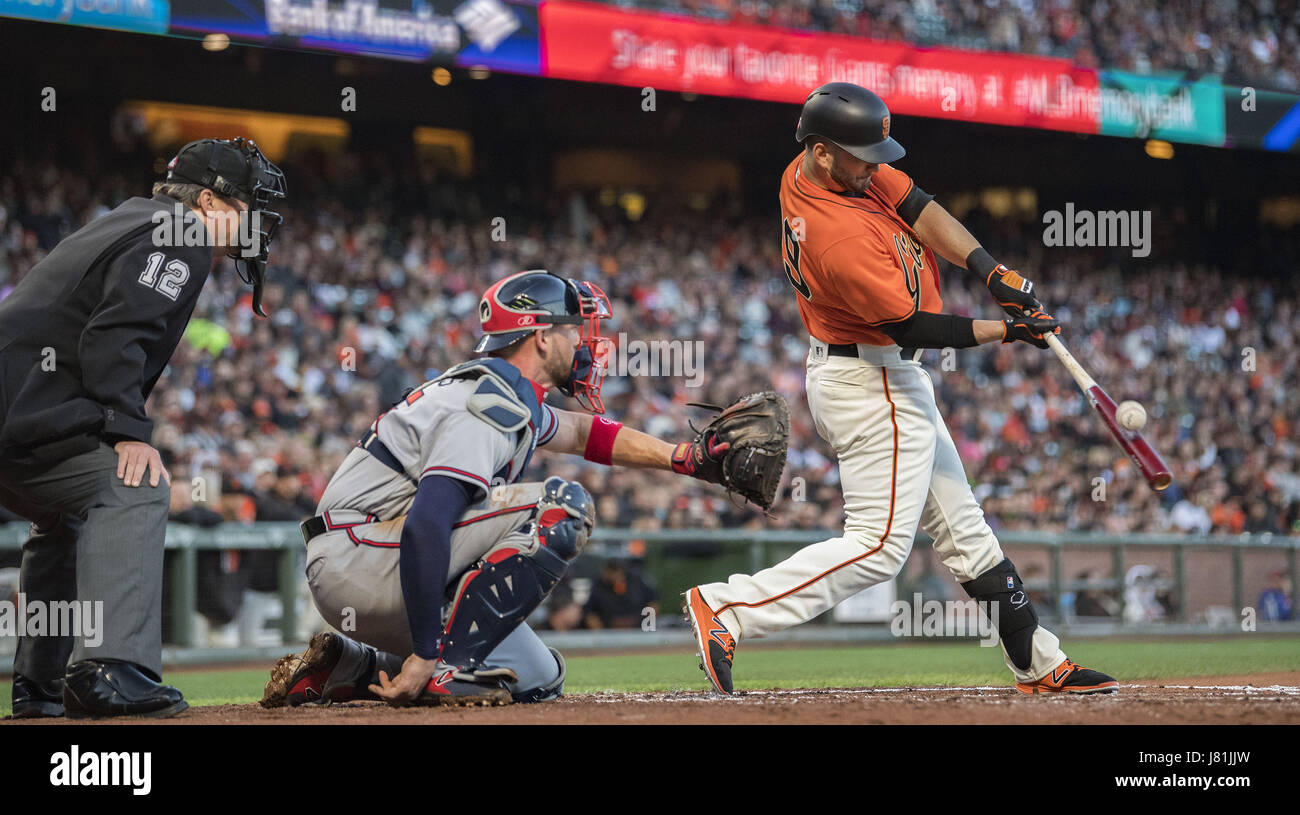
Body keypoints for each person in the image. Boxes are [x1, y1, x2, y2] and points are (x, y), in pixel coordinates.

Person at [684, 83, 1118, 695]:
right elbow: (910, 327)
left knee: (964, 530)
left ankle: (1039, 663)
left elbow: (919, 208)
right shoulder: (836, 234)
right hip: (872, 379)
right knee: (880, 548)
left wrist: (992, 272)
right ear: (824, 152)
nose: (877, 165)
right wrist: (1006, 330)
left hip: (878, 373)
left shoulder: (826, 168)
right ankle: (729, 608)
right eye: (865, 154)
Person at [260, 270, 754, 707]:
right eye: (572, 330)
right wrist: (429, 655)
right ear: (540, 336)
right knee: (562, 505)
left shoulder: (508, 392)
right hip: (360, 555)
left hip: (376, 560)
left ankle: (347, 666)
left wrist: (685, 458)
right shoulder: (488, 401)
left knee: (539, 677)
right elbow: (427, 523)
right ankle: (443, 668)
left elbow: (588, 434)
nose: (584, 343)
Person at [0, 138, 286, 718]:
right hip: (23, 411)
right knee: (135, 483)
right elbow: (112, 336)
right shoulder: (183, 235)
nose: (258, 222)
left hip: (22, 412)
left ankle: (41, 683)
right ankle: (108, 669)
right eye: (249, 206)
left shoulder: (137, 218)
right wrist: (128, 430)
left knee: (70, 513)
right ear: (209, 201)